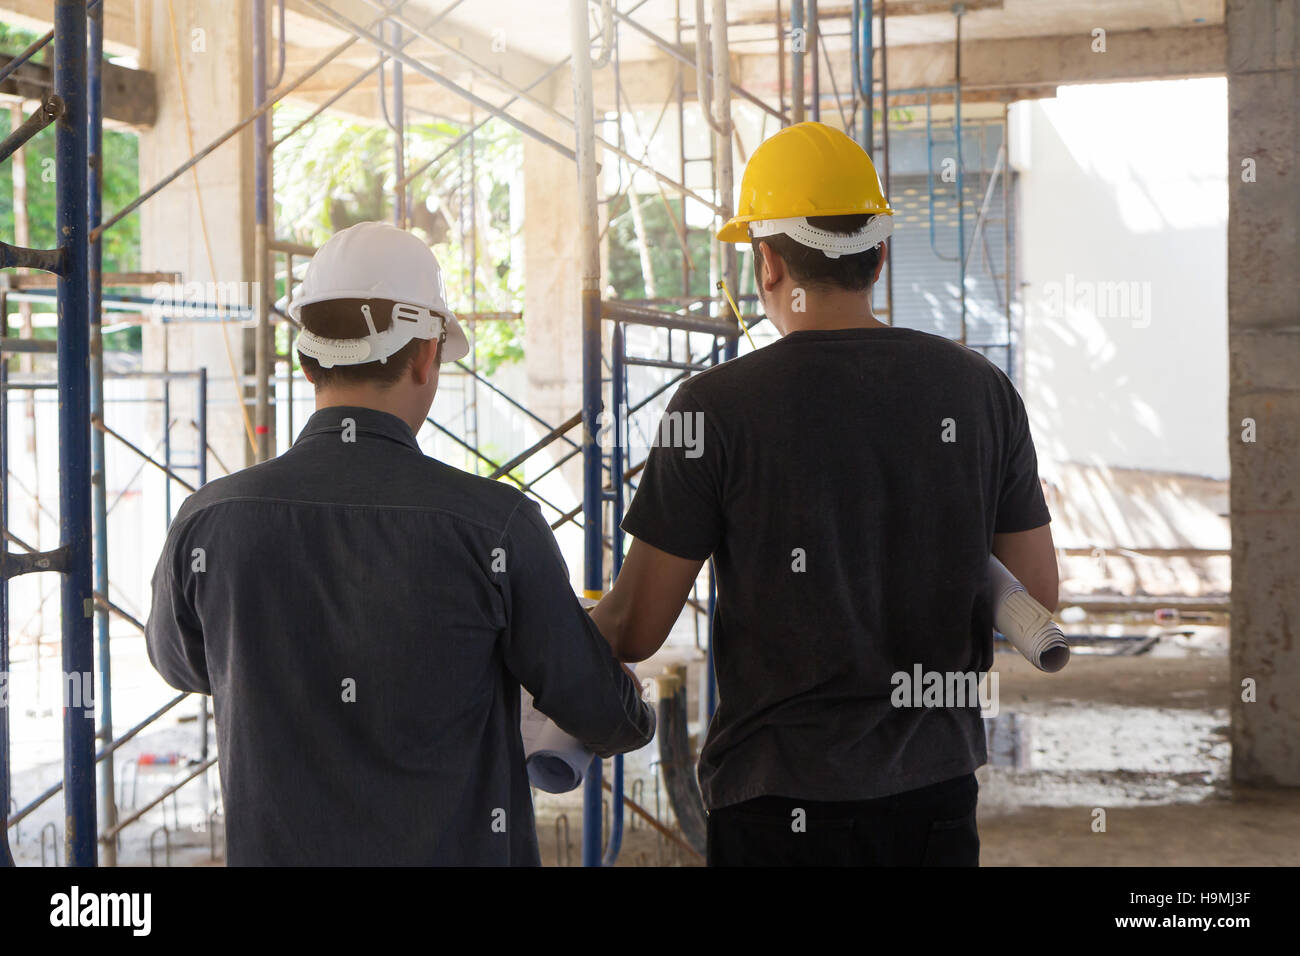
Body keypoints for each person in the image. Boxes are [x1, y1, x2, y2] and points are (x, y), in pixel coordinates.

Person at [589, 122, 1057, 867]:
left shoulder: (712, 408)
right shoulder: (979, 392)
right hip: (932, 796)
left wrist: (534, 633)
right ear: (878, 255)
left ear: (766, 262)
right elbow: (1033, 594)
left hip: (777, 804)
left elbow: (638, 627)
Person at [145, 221, 653, 866]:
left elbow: (183, 665)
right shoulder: (495, 524)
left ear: (307, 359)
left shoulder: (209, 519)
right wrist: (625, 700)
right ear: (424, 356)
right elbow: (602, 712)